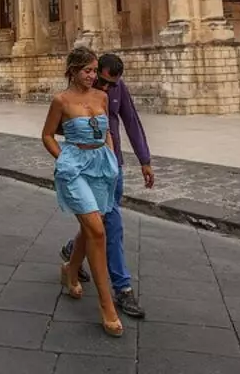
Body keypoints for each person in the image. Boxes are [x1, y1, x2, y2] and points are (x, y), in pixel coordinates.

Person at [59, 52, 154, 319]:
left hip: (113, 165)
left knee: (100, 221)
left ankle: (72, 250)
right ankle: (122, 288)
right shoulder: (73, 95)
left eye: (113, 84)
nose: (108, 87)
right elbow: (57, 130)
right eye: (102, 80)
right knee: (111, 224)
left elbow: (130, 120)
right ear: (91, 71)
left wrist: (144, 160)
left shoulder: (115, 88)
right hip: (84, 169)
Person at [41, 47, 123, 338]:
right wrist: (62, 159)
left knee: (90, 227)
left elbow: (108, 131)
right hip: (74, 168)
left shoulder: (101, 97)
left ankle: (70, 269)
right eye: (87, 70)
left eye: (94, 70)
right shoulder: (61, 101)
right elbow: (47, 135)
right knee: (97, 231)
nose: (92, 75)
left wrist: (111, 158)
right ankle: (107, 305)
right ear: (72, 71)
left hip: (101, 167)